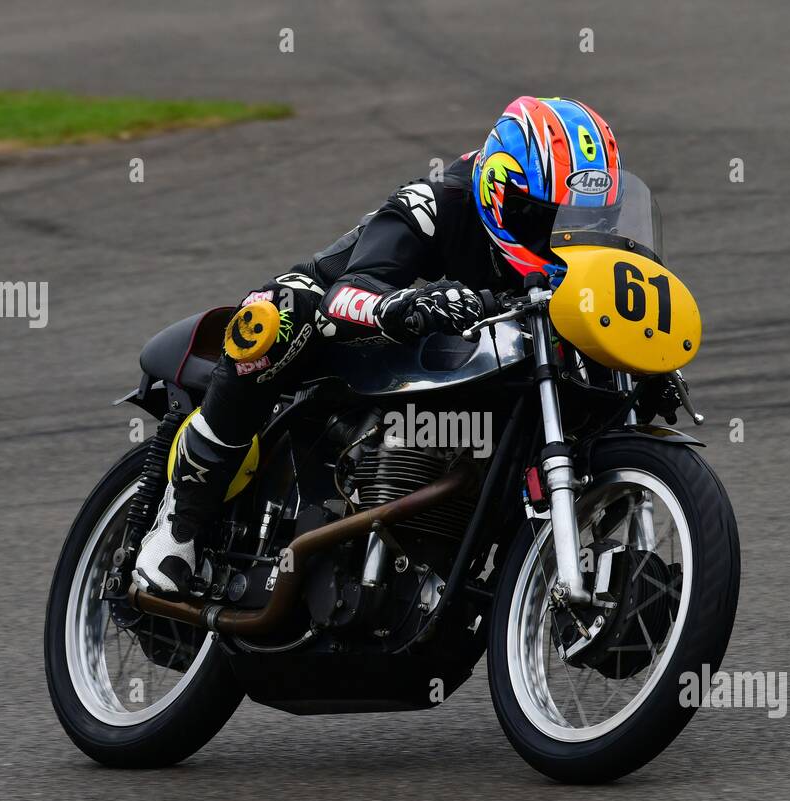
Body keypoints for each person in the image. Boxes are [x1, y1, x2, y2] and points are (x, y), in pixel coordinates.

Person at [134, 95, 623, 594]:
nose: (560, 236)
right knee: (274, 318)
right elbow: (346, 294)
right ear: (498, 190)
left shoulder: (572, 264)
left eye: (586, 222)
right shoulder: (435, 203)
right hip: (344, 319)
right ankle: (179, 527)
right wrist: (405, 305)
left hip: (460, 367)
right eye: (543, 219)